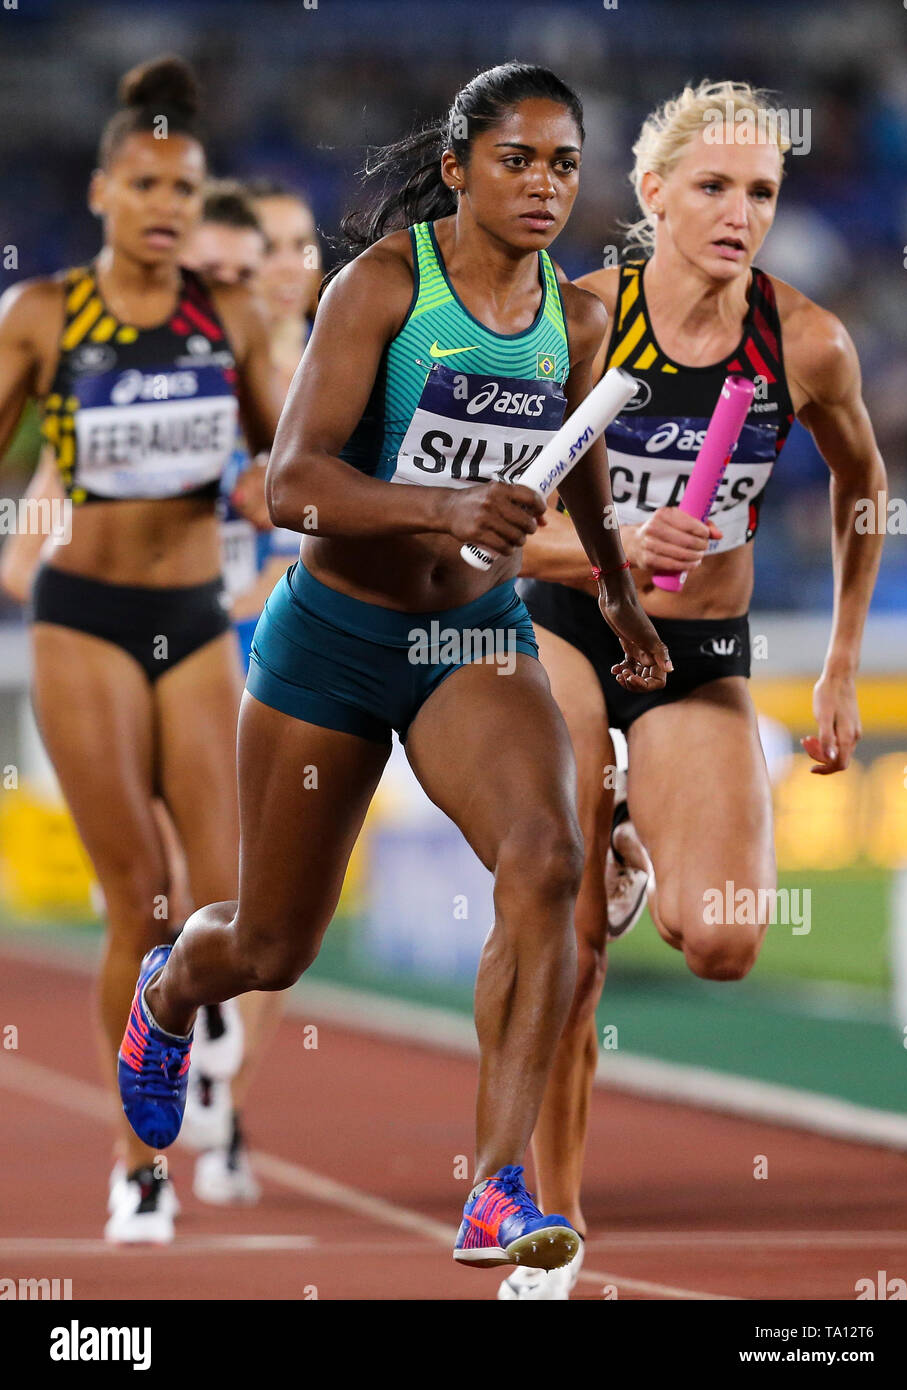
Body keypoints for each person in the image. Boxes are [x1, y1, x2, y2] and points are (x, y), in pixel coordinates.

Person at [117, 61, 671, 1274]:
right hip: (334, 640)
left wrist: (622, 600)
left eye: (565, 164)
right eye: (518, 159)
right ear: (461, 164)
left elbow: (578, 469)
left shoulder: (576, 320)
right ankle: (169, 992)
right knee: (271, 949)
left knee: (548, 858)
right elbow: (293, 483)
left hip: (471, 639)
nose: (543, 184)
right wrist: (445, 506)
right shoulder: (382, 288)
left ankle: (495, 1187)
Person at [500, 79, 887, 1298]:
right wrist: (616, 547)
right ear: (652, 192)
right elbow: (494, 533)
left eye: (761, 192)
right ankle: (546, 1224)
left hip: (700, 658)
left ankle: (628, 838)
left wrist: (837, 659)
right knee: (566, 938)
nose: (738, 213)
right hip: (566, 624)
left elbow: (864, 485)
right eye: (712, 186)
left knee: (720, 938)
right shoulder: (570, 325)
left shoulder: (807, 341)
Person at [0, 55, 280, 1243]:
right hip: (85, 619)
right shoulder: (47, 314)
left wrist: (290, 499)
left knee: (230, 906)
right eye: (149, 182)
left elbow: (292, 468)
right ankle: (138, 1162)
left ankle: (181, 1029)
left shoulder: (240, 320)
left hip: (197, 621)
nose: (169, 204)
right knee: (142, 894)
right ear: (106, 191)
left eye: (189, 185)